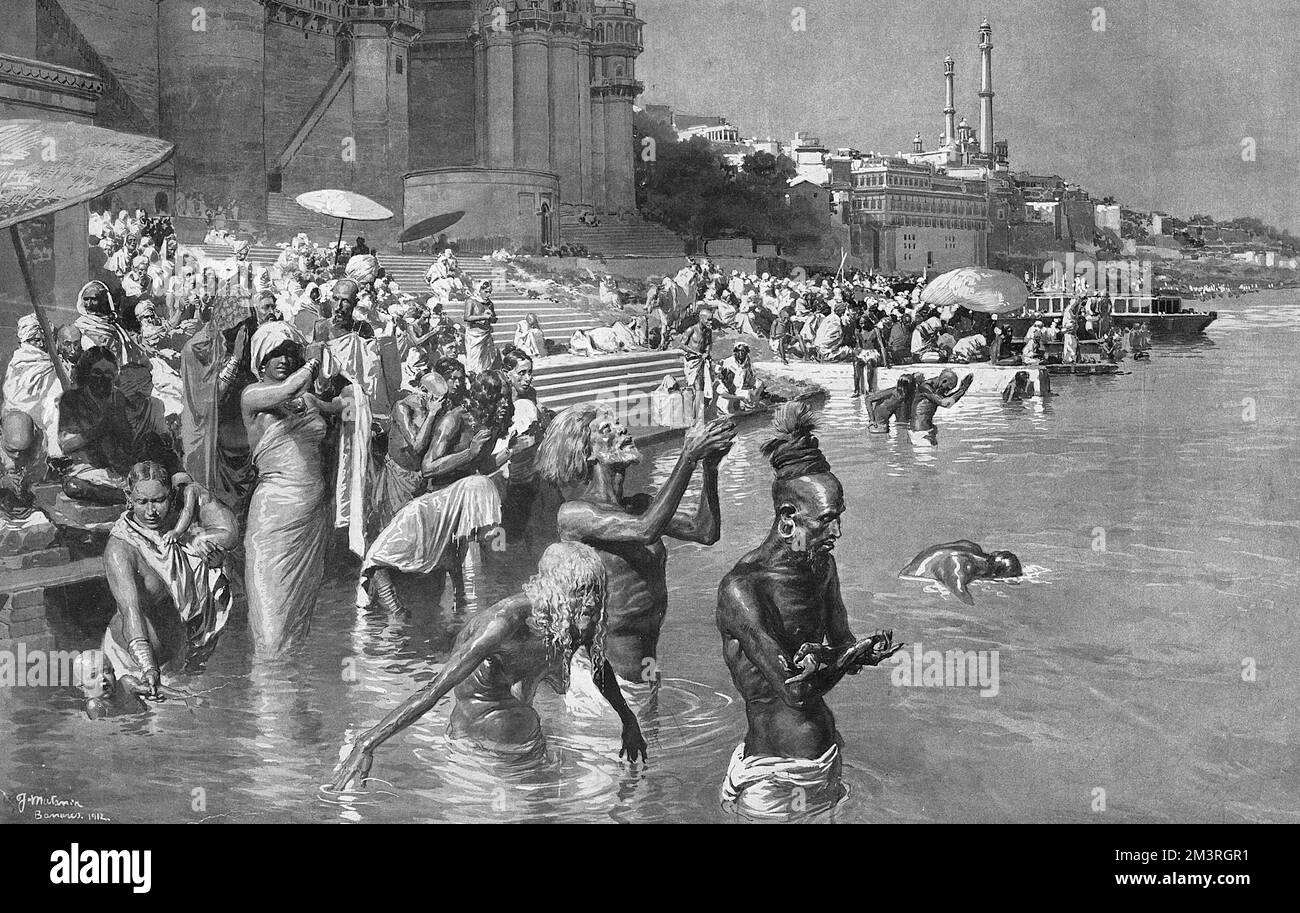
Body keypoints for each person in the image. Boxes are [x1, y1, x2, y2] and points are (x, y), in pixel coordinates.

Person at [332, 543, 646, 790]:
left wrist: (629, 719)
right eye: (582, 597)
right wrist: (367, 742)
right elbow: (434, 689)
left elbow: (597, 666)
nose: (590, 609)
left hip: (523, 749)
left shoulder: (574, 621)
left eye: (595, 596)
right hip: (477, 752)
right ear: (556, 591)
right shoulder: (502, 623)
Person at [716, 403, 903, 818]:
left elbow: (841, 643)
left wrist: (861, 651)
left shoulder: (823, 567)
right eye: (826, 520)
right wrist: (845, 660)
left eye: (840, 518)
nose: (837, 532)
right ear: (789, 517)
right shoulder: (742, 589)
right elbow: (795, 690)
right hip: (774, 778)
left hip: (824, 764)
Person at [536, 405, 734, 710]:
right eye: (606, 429)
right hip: (604, 683)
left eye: (619, 424)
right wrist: (688, 457)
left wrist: (710, 469)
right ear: (587, 453)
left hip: (645, 672)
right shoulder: (576, 513)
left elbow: (704, 531)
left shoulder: (641, 505)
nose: (622, 430)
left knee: (647, 756)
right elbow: (646, 531)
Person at [241, 322, 344, 657]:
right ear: (260, 360)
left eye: (290, 352)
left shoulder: (309, 400)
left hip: (312, 519)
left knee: (297, 626)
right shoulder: (254, 395)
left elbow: (343, 408)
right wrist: (312, 363)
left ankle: (294, 701)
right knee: (271, 628)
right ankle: (267, 701)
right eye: (275, 353)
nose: (283, 359)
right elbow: (287, 390)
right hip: (274, 519)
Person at [100, 462, 237, 702]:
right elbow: (131, 611)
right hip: (136, 663)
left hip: (183, 652)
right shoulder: (120, 549)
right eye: (143, 502)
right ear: (129, 498)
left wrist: (214, 564)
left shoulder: (179, 526)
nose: (151, 511)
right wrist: (148, 668)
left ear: (170, 496)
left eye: (159, 500)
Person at [58, 347, 135, 504]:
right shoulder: (72, 398)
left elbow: (128, 443)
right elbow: (66, 445)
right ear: (86, 373)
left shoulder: (118, 397)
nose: (103, 378)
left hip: (116, 468)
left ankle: (126, 494)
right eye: (97, 372)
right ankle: (124, 497)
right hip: (85, 469)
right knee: (74, 486)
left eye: (108, 373)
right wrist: (101, 427)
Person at [3, 315, 68, 457]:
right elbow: (14, 394)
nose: (40, 344)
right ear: (26, 341)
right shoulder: (19, 361)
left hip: (49, 411)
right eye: (35, 340)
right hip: (23, 417)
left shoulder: (53, 362)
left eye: (42, 340)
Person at [898, 540, 1023, 606]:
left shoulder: (972, 547)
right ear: (993, 575)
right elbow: (961, 595)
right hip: (909, 581)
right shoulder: (958, 565)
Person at [909, 369, 973, 446]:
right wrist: (962, 390)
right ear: (944, 381)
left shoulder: (937, 388)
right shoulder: (926, 387)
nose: (947, 392)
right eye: (948, 388)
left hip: (927, 431)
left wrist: (961, 390)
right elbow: (946, 403)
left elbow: (947, 399)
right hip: (919, 432)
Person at [463, 279, 500, 374]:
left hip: (486, 334)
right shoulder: (471, 301)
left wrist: (492, 317)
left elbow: (494, 319)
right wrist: (482, 316)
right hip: (474, 335)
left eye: (490, 292)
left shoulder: (490, 303)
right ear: (478, 290)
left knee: (486, 360)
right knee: (474, 360)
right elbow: (467, 317)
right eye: (486, 292)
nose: (488, 294)